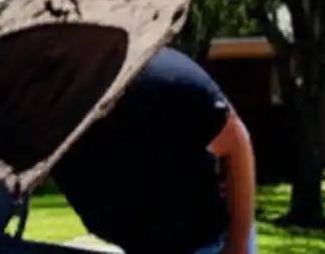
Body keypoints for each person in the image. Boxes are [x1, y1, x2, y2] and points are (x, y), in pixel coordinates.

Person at [51, 46, 256, 253]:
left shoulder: (162, 81)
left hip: (206, 240)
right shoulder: (43, 113)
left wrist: (237, 245)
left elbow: (236, 140)